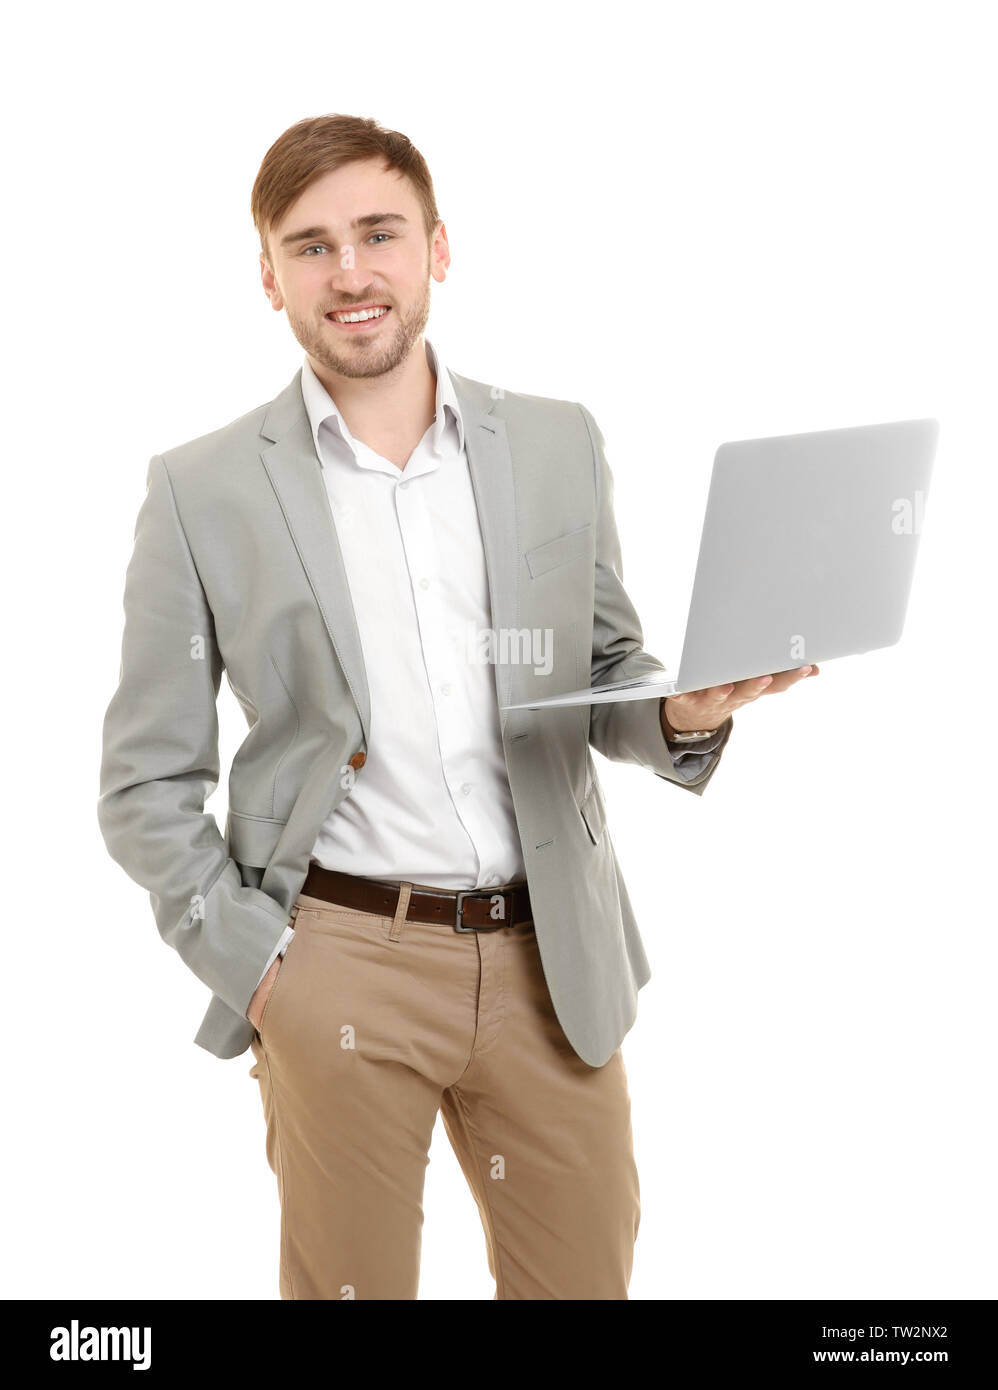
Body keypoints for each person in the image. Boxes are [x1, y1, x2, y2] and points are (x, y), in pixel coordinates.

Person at [98, 113, 817, 1301]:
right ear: (266, 274)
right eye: (310, 244)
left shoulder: (551, 441)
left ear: (437, 248)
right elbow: (143, 783)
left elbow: (601, 675)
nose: (350, 272)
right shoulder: (200, 487)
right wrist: (263, 967)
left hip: (551, 959)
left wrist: (681, 711)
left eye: (378, 234)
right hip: (336, 960)